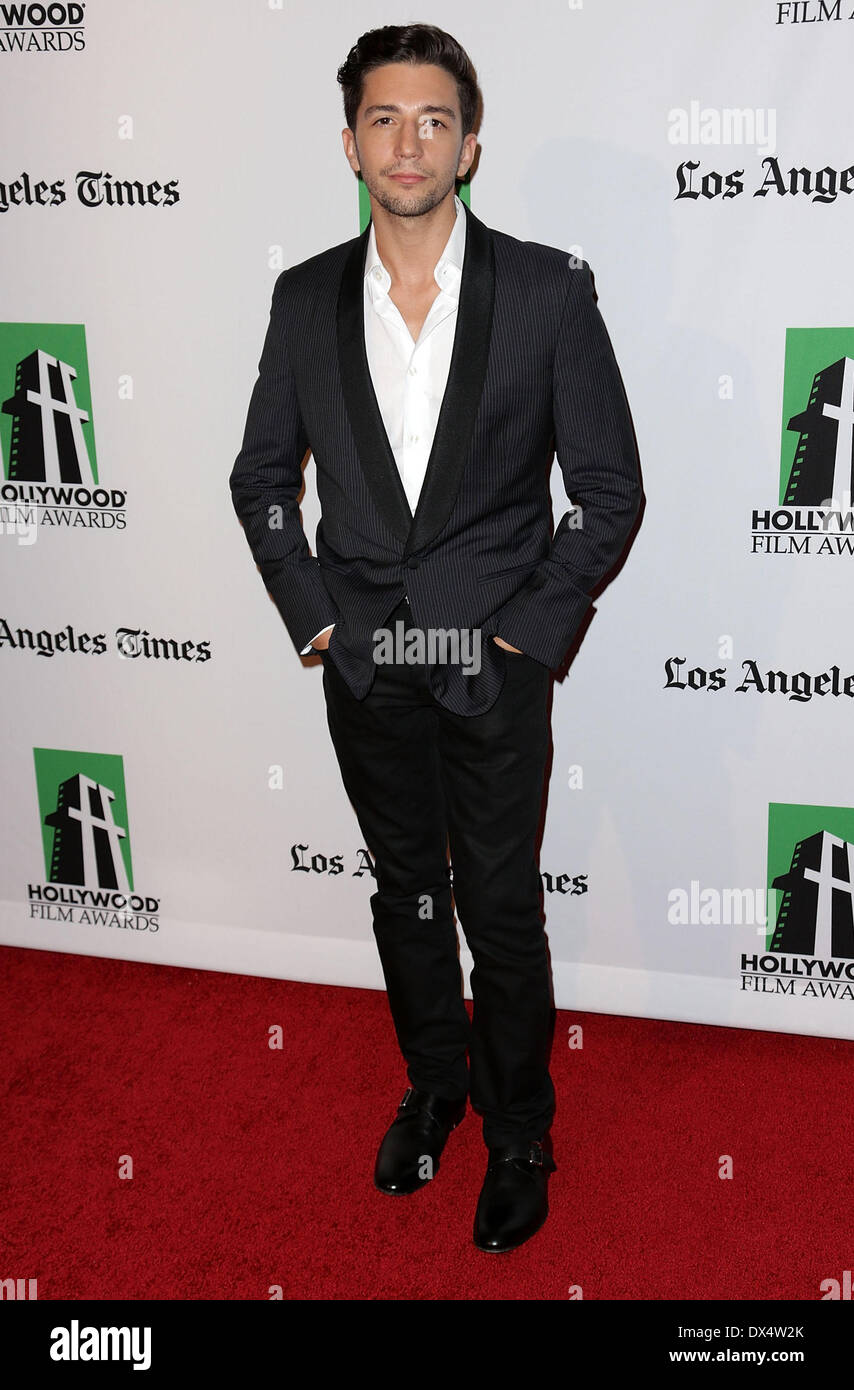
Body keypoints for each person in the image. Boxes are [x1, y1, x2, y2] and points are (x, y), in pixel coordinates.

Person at [230, 22, 641, 1252]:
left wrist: (523, 635)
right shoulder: (303, 297)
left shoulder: (546, 290)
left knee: (501, 907)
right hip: (367, 665)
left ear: (468, 144)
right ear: (348, 140)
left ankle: (520, 1130)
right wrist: (314, 617)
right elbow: (260, 477)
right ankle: (434, 1089)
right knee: (407, 895)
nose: (407, 143)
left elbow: (608, 490)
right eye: (383, 119)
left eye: (432, 121)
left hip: (491, 668)